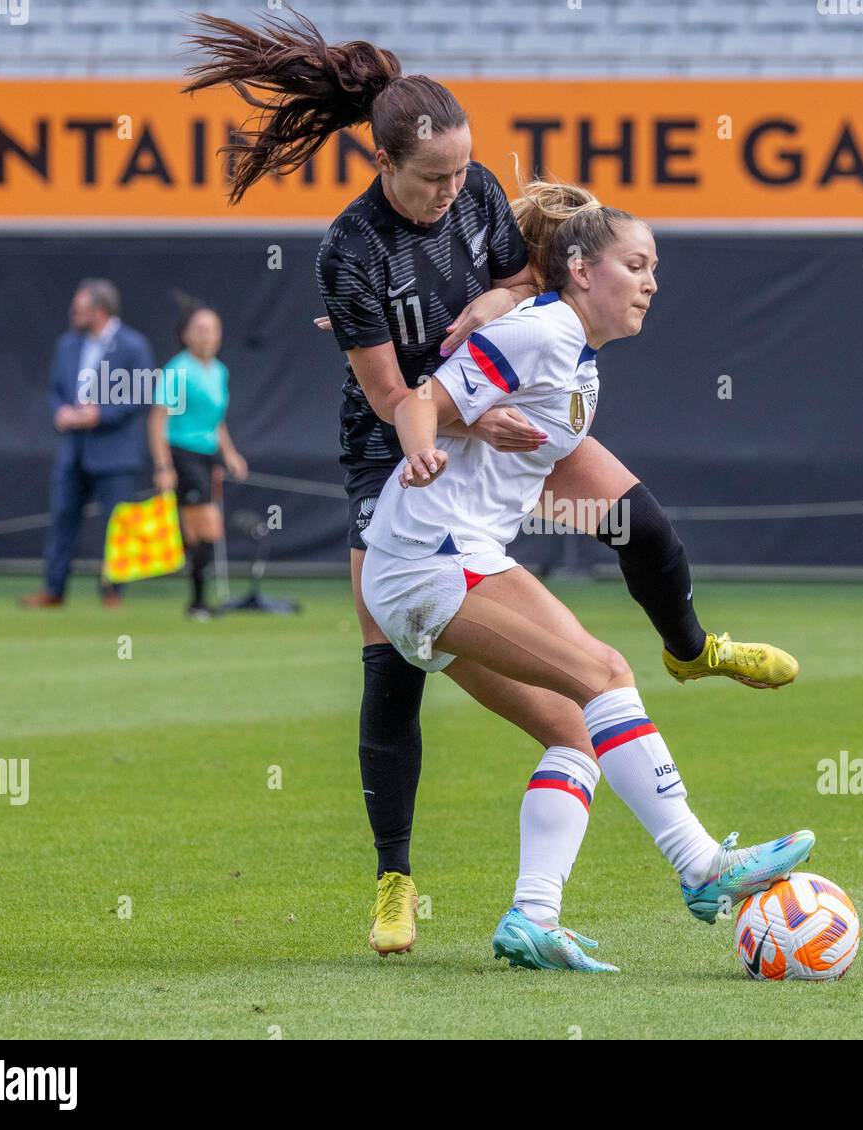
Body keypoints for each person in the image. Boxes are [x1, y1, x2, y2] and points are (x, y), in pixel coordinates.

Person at [182, 9, 798, 958]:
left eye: (464, 172)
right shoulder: (356, 251)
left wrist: (492, 307)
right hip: (405, 470)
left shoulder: (513, 270)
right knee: (448, 672)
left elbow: (518, 283)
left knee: (595, 670)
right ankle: (411, 875)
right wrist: (455, 424)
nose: (456, 191)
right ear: (385, 164)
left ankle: (535, 915)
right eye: (434, 177)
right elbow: (401, 398)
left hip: (470, 485)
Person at [363, 203, 814, 970]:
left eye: (654, 269)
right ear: (579, 270)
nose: (651, 283)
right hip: (428, 557)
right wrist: (423, 452)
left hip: (445, 561)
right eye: (635, 266)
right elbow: (419, 403)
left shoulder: (578, 361)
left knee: (577, 732)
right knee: (605, 673)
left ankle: (532, 918)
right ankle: (701, 862)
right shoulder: (540, 334)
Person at [22, 279, 154, 609]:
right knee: (62, 519)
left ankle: (113, 591)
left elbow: (143, 395)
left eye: (79, 308)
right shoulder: (67, 344)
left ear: (100, 310)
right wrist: (61, 412)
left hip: (115, 453)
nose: (73, 313)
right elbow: (55, 391)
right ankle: (54, 589)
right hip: (73, 451)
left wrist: (100, 414)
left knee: (117, 526)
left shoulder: (133, 345)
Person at [148, 296, 249, 619]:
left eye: (213, 329)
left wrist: (229, 454)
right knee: (209, 528)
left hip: (208, 455)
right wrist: (163, 466)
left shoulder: (219, 371)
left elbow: (216, 419)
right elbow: (158, 420)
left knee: (195, 533)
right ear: (186, 334)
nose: (208, 336)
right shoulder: (177, 370)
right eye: (201, 329)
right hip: (182, 453)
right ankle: (197, 602)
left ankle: (197, 603)